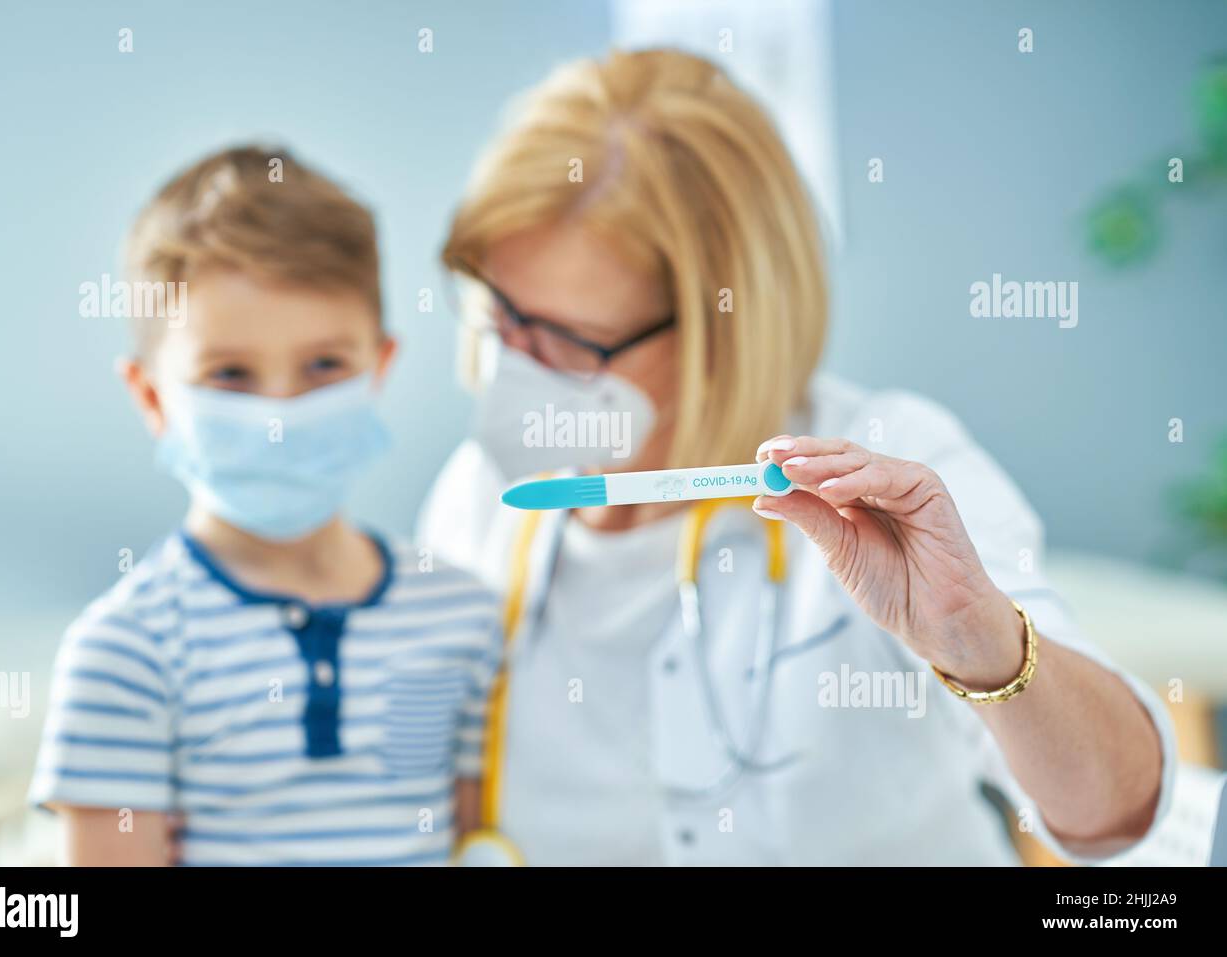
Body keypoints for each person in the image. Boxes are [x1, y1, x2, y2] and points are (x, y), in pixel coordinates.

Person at [418, 49, 1176, 865]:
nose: (514, 363)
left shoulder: (891, 467)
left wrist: (977, 637)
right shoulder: (482, 496)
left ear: (721, 330)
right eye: (498, 312)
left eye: (568, 339)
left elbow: (1117, 813)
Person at [29, 146, 499, 865]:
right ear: (152, 397)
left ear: (380, 366)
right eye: (230, 373)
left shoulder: (463, 617)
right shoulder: (125, 653)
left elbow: (477, 845)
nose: (281, 410)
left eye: (323, 365)